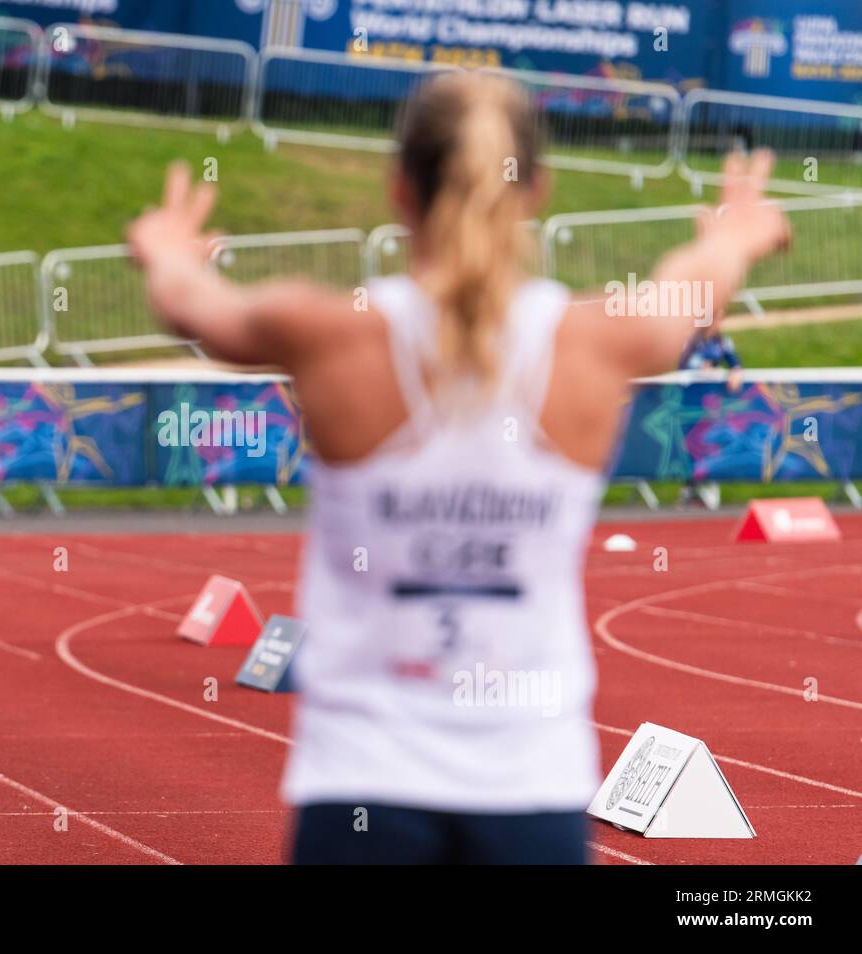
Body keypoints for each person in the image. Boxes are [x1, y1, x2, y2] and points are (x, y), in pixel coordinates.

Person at [126, 73, 789, 864]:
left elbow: (194, 306)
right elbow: (696, 283)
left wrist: (167, 248)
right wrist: (739, 231)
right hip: (530, 794)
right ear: (536, 189)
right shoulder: (601, 343)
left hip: (364, 786)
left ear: (398, 186)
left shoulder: (329, 333)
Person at [677, 322, 744, 508]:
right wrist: (703, 370)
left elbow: (735, 364)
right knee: (691, 445)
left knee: (712, 444)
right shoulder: (689, 342)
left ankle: (709, 486)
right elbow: (683, 367)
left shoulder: (722, 342)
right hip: (689, 406)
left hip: (712, 406)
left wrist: (735, 371)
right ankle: (689, 488)